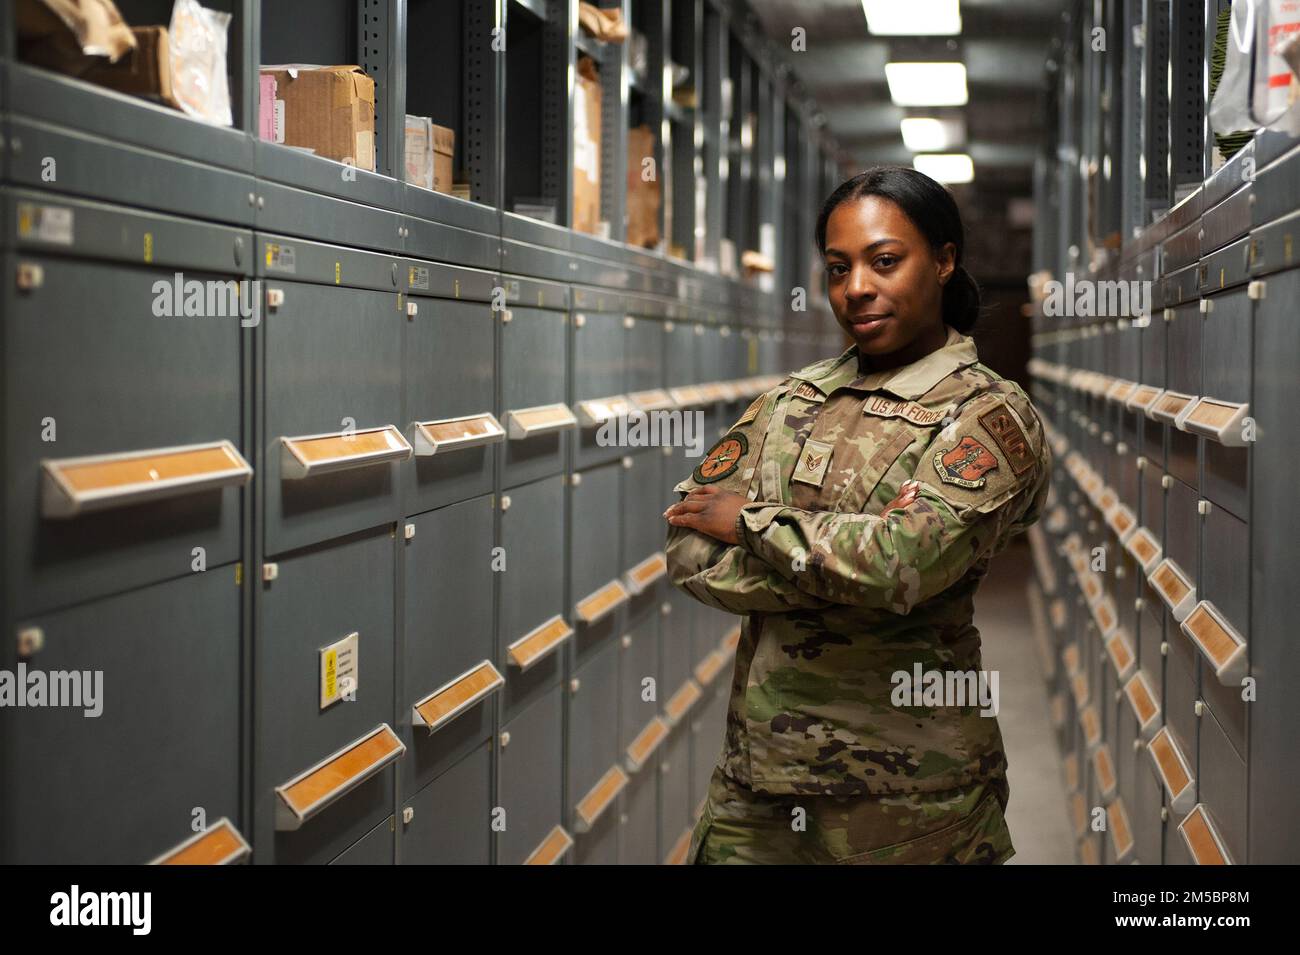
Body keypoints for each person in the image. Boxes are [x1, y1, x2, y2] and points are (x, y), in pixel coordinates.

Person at [663, 166, 1052, 864]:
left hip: (910, 799)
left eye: (884, 261)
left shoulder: (987, 414)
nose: (856, 288)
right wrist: (843, 566)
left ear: (944, 259)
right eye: (838, 268)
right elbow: (686, 545)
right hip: (757, 791)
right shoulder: (795, 399)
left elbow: (903, 564)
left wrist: (752, 524)